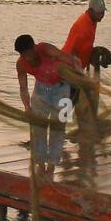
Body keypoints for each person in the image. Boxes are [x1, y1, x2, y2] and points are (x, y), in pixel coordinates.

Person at [15, 34, 81, 177]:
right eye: (23, 55)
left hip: (62, 87)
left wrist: (80, 78)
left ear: (34, 48)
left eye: (29, 53)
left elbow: (73, 60)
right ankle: (41, 164)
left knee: (58, 128)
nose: (27, 58)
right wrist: (27, 107)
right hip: (41, 90)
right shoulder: (21, 64)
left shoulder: (46, 49)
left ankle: (51, 166)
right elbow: (23, 88)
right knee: (38, 127)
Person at [62, 0, 105, 117]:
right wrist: (79, 74)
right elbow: (73, 51)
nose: (102, 15)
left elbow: (85, 44)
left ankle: (62, 126)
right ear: (91, 10)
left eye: (103, 12)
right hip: (69, 68)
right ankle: (59, 126)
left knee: (73, 99)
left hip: (76, 67)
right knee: (68, 99)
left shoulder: (93, 21)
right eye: (99, 13)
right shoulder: (83, 25)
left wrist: (93, 51)